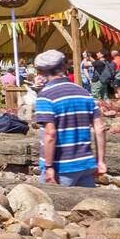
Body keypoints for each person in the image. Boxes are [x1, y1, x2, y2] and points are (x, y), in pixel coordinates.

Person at [34, 49, 106, 187]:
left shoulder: (46, 95)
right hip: (85, 163)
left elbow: (50, 133)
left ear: (41, 73)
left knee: (47, 206)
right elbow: (100, 128)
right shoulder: (83, 92)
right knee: (85, 206)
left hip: (61, 166)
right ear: (64, 67)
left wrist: (48, 167)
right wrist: (100, 160)